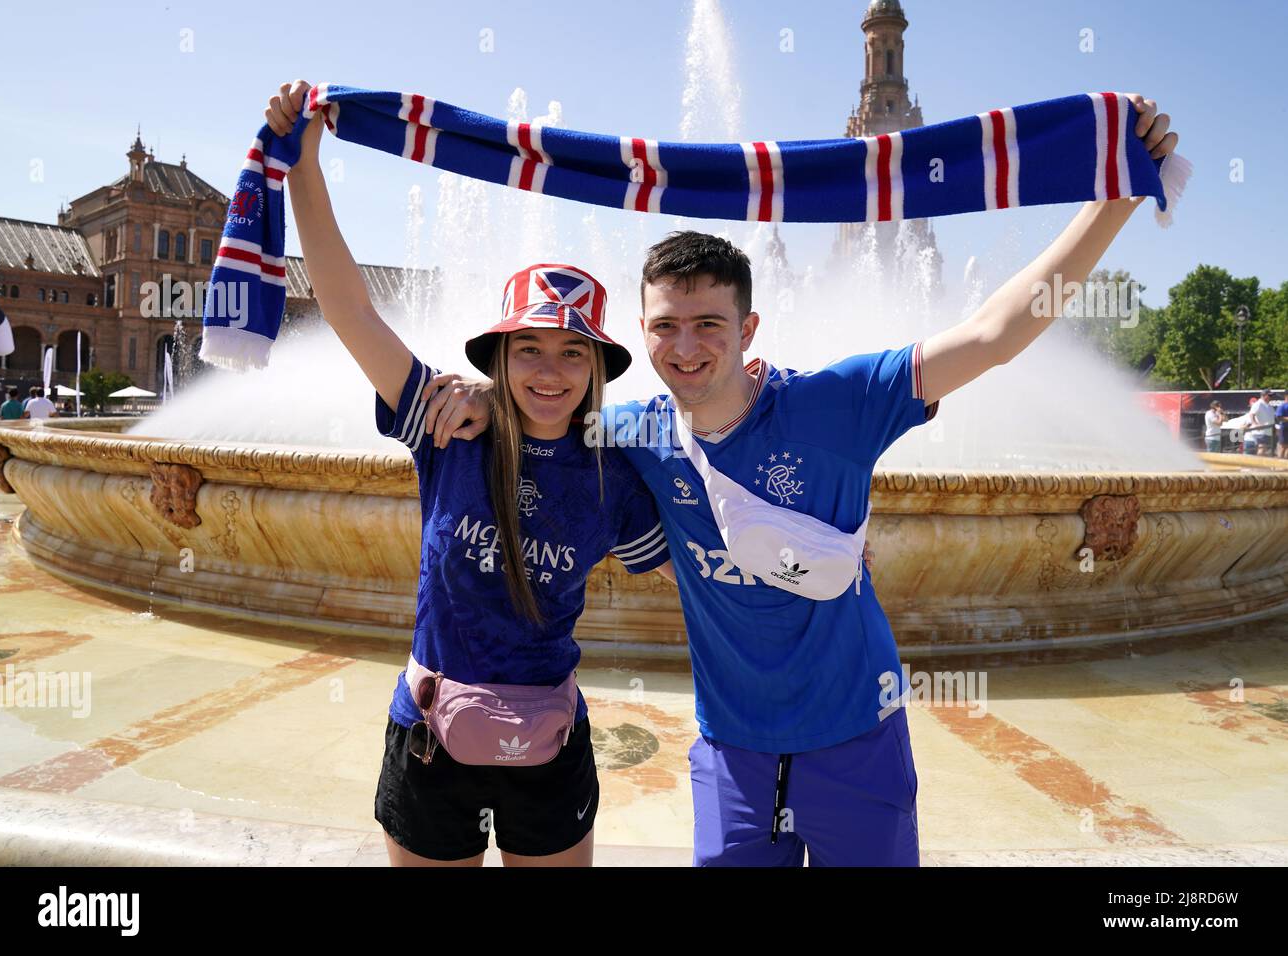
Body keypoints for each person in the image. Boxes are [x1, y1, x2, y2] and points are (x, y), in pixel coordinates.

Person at [417, 93, 1179, 867]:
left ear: (748, 328)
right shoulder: (637, 429)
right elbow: (550, 408)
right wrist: (487, 394)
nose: (686, 348)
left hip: (856, 736)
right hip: (731, 754)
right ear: (642, 335)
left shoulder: (837, 404)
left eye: (709, 324)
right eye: (665, 327)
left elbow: (994, 333)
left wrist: (1113, 196)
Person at [268, 80, 672, 868]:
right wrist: (303, 162)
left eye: (570, 353)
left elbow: (697, 552)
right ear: (498, 358)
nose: (549, 371)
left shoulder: (615, 473)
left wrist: (819, 552)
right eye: (529, 350)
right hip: (428, 737)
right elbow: (350, 310)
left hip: (549, 746)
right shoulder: (449, 425)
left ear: (597, 368)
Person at [1247, 389, 1276, 456]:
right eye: (1269, 395)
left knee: (1264, 450)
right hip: (1260, 431)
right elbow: (1251, 414)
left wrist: (1275, 429)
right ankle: (1257, 465)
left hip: (1268, 431)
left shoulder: (1270, 406)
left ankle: (1260, 465)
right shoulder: (1258, 404)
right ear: (1264, 395)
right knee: (1262, 449)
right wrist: (1255, 424)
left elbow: (1271, 419)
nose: (1271, 397)